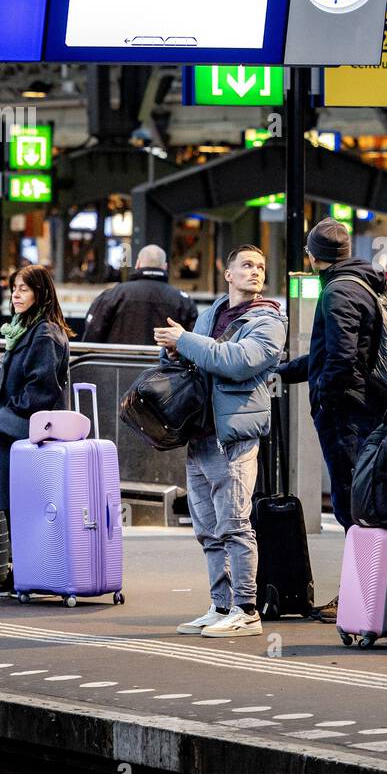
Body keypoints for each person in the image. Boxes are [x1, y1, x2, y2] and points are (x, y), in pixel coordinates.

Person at [155, 245, 286, 639]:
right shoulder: (212, 312)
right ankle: (221, 605)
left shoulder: (269, 320)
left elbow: (236, 361)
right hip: (199, 433)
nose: (255, 272)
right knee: (207, 529)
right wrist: (172, 351)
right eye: (246, 265)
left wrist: (185, 341)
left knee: (235, 525)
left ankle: (246, 609)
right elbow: (195, 361)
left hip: (232, 437)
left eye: (260, 266)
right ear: (227, 273)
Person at [277, 217, 387, 623]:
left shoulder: (337, 293)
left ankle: (358, 598)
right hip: (363, 408)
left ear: (311, 257)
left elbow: (340, 360)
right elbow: (328, 357)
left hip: (347, 414)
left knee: (352, 505)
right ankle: (364, 594)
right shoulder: (360, 285)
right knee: (360, 503)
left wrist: (326, 401)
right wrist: (286, 371)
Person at [0, 265, 71, 584]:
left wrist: (3, 413)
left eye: (24, 289)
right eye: (13, 288)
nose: (15, 295)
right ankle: (21, 567)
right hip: (16, 431)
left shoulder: (44, 333)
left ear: (41, 293)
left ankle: (28, 569)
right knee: (16, 503)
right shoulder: (24, 329)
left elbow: (39, 391)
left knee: (23, 504)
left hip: (27, 435)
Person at [83, 244, 199, 343]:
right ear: (165, 267)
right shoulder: (184, 301)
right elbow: (194, 341)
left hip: (116, 366)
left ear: (138, 264)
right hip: (164, 368)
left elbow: (92, 335)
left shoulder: (113, 295)